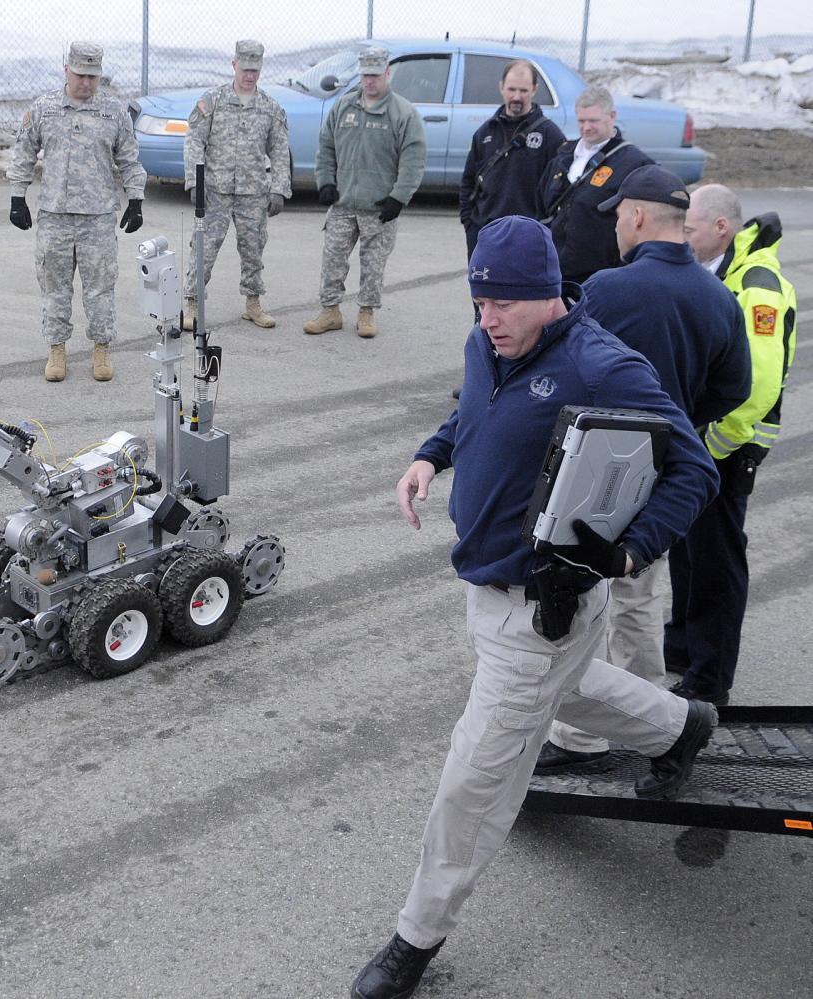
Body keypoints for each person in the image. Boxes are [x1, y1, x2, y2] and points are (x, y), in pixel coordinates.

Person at [351, 216, 720, 999]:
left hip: (541, 609)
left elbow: (694, 469)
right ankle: (682, 725)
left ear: (550, 293)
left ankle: (415, 938)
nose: (489, 317)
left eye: (506, 302)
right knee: (573, 682)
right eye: (480, 299)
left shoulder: (599, 364)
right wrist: (430, 455)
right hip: (492, 593)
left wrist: (632, 551)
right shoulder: (487, 342)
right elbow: (473, 408)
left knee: (473, 784)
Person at [535, 166, 751, 775]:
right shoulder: (719, 297)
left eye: (617, 216)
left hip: (597, 468)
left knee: (584, 595)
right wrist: (679, 423)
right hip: (666, 469)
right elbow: (735, 388)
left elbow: (559, 370)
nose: (615, 229)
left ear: (636, 217)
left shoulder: (607, 289)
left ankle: (582, 739)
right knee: (639, 594)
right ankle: (654, 723)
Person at [665, 184, 798, 704]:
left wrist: (714, 444)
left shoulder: (758, 285)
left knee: (716, 560)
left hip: (727, 446)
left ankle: (709, 680)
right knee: (687, 549)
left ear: (721, 228)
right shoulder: (720, 271)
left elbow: (757, 386)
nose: (681, 238)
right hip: (703, 440)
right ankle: (682, 646)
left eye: (689, 229)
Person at [7, 41, 147, 383]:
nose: (86, 82)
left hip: (98, 218)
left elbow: (129, 158)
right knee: (54, 287)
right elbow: (24, 153)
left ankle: (101, 348)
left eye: (93, 76)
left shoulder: (113, 112)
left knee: (100, 288)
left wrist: (136, 198)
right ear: (66, 69)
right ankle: (57, 349)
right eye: (80, 75)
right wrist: (17, 197)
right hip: (54, 216)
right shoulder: (44, 109)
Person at [303, 47, 426, 339]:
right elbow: (326, 146)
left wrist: (399, 197)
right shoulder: (343, 107)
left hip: (379, 207)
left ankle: (366, 312)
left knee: (373, 264)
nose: (370, 81)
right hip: (343, 204)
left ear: (387, 73)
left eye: (376, 75)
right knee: (332, 259)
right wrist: (326, 182)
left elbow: (413, 159)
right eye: (365, 75)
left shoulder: (403, 113)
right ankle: (330, 311)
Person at [181, 39, 291, 331]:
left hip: (252, 192)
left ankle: (253, 303)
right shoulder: (213, 100)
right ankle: (192, 303)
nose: (249, 75)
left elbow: (280, 150)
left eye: (255, 70)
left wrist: (279, 188)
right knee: (203, 249)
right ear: (234, 65)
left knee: (253, 249)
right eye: (245, 69)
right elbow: (194, 140)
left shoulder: (270, 107)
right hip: (215, 191)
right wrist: (195, 181)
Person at [538, 85, 654, 283]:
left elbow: (643, 226)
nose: (586, 127)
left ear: (612, 116)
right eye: (581, 121)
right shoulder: (562, 157)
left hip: (601, 278)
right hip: (555, 274)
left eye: (593, 121)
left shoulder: (635, 163)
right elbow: (540, 207)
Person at [459, 59, 564, 262]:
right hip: (485, 235)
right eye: (512, 89)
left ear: (535, 90)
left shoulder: (550, 136)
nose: (517, 97)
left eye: (524, 90)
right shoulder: (485, 132)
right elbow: (468, 182)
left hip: (529, 240)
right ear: (501, 87)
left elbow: (560, 192)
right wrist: (470, 224)